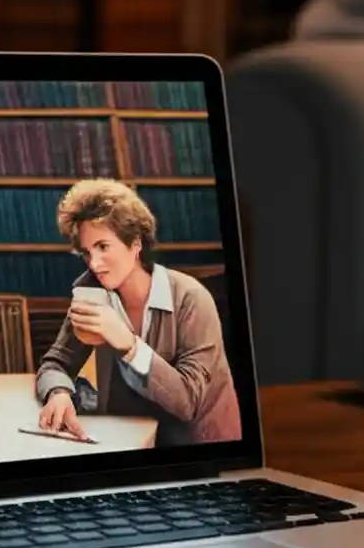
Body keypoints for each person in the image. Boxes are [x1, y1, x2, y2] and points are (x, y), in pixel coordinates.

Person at [34, 179, 242, 446]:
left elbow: (189, 403)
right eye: (86, 252)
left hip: (200, 448)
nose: (94, 264)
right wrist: (59, 392)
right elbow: (55, 363)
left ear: (135, 244)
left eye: (103, 247)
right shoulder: (92, 294)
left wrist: (130, 346)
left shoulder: (190, 299)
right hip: (131, 442)